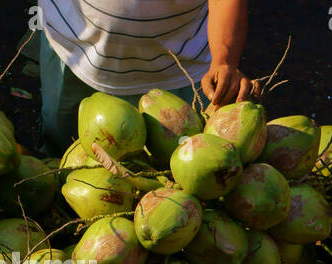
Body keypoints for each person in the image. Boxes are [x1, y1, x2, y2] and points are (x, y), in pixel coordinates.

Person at [36, 0, 251, 153]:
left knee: (181, 156)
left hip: (178, 66)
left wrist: (224, 61)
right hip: (74, 46)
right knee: (64, 140)